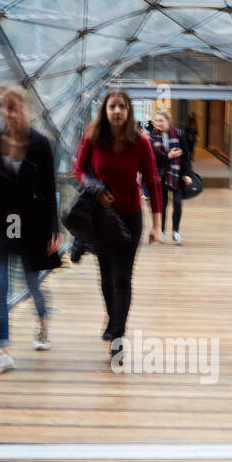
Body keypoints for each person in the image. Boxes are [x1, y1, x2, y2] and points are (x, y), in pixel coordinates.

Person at [0, 82, 62, 376]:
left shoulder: (41, 145)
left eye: (14, 107)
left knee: (32, 281)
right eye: (3, 107)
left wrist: (54, 229)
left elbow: (49, 190)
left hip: (30, 225)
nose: (8, 113)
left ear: (25, 109)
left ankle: (42, 322)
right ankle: (3, 351)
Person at [72, 89, 163, 365]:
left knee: (122, 278)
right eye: (112, 106)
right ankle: (112, 320)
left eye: (122, 106)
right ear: (105, 110)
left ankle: (118, 338)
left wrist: (157, 224)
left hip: (130, 217)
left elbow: (152, 179)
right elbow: (79, 168)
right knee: (105, 277)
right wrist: (93, 189)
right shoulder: (93, 136)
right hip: (101, 217)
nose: (117, 111)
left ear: (128, 111)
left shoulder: (140, 142)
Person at [149, 109, 192, 244]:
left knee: (178, 203)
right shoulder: (153, 136)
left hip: (176, 174)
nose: (158, 123)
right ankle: (161, 231)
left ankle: (175, 232)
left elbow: (186, 157)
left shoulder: (179, 134)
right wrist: (168, 156)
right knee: (163, 205)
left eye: (161, 120)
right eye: (156, 121)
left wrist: (187, 174)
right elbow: (153, 160)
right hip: (161, 175)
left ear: (168, 121)